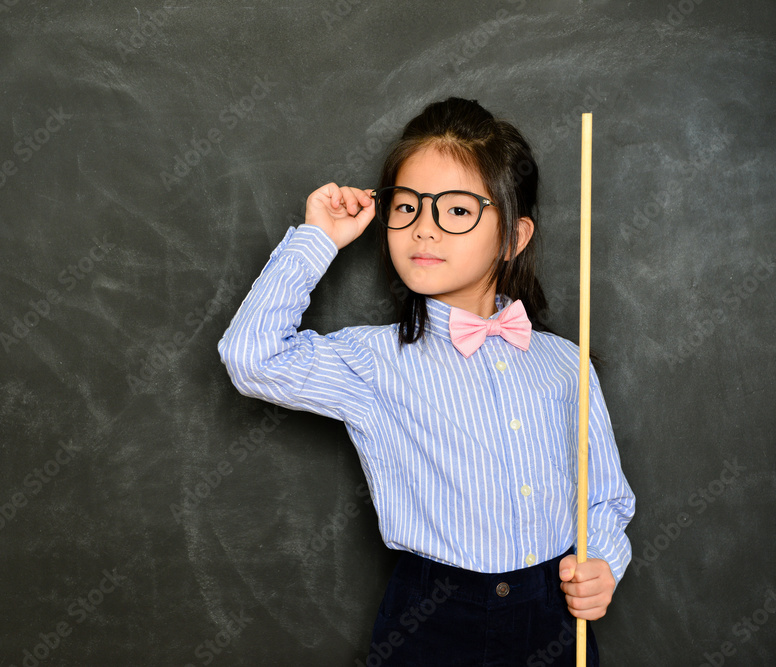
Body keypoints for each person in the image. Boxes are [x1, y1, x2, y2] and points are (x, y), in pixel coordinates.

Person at [217, 97, 635, 666]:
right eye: (407, 208)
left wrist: (604, 561)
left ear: (513, 237)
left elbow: (606, 498)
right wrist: (319, 239)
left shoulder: (566, 364)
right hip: (434, 617)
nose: (425, 230)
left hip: (550, 615)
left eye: (458, 212)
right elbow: (252, 357)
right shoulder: (373, 361)